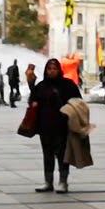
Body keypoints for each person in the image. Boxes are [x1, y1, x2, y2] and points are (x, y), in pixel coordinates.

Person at [29, 58, 82, 194]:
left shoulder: (67, 85)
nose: (52, 71)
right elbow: (33, 100)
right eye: (49, 69)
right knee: (47, 154)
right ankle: (48, 182)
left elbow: (78, 102)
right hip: (45, 125)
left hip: (62, 125)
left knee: (62, 154)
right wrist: (31, 84)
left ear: (59, 70)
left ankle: (63, 182)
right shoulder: (41, 85)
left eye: (54, 69)